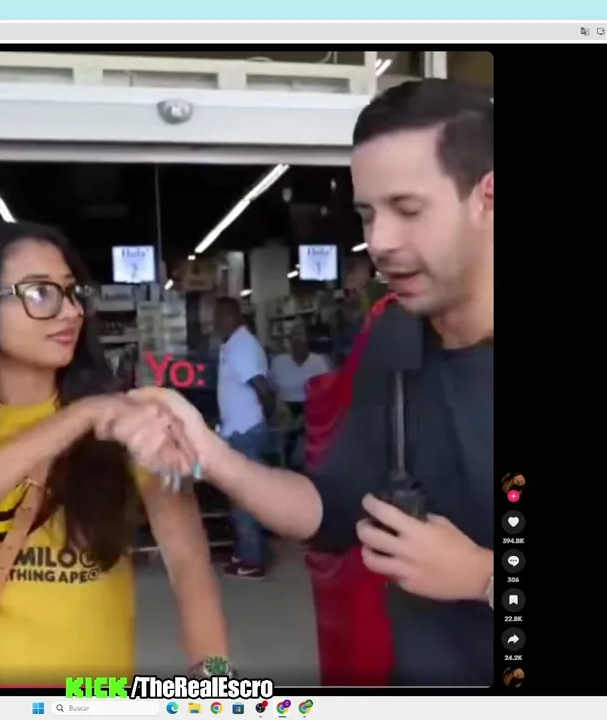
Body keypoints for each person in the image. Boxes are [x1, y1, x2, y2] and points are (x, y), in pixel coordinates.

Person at [133, 79, 495, 686]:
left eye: (408, 210)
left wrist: (484, 577)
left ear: (487, 199)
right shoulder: (394, 337)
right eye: (368, 215)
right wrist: (209, 453)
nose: (379, 242)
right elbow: (330, 509)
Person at [0, 221, 231, 686]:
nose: (70, 311)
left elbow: (190, 568)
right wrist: (78, 417)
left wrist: (216, 682)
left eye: (71, 292)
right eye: (40, 293)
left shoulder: (129, 426)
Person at [213, 296, 275, 579]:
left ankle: (253, 559)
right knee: (239, 495)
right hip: (238, 430)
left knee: (243, 496)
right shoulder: (232, 345)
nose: (215, 324)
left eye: (219, 317)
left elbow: (263, 389)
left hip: (245, 432)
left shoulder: (243, 346)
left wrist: (262, 421)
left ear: (232, 316)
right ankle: (248, 550)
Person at [267, 331, 330, 467]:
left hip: (310, 405)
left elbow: (325, 391)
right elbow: (271, 389)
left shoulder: (318, 362)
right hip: (284, 406)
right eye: (295, 345)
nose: (298, 351)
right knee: (285, 433)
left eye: (302, 346)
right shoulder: (279, 362)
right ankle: (287, 465)